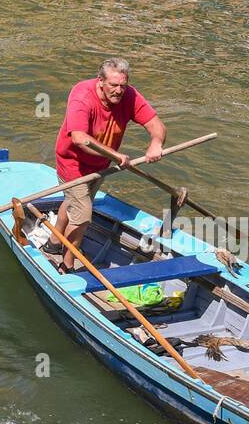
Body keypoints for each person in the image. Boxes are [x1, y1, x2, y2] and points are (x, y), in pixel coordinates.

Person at [49, 58, 166, 271]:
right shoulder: (82, 95)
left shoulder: (129, 95)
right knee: (83, 215)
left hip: (100, 164)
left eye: (123, 85)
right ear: (100, 81)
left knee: (75, 202)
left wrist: (156, 143)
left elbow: (155, 124)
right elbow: (79, 138)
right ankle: (66, 265)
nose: (119, 91)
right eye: (113, 85)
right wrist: (116, 155)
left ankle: (54, 242)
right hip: (72, 163)